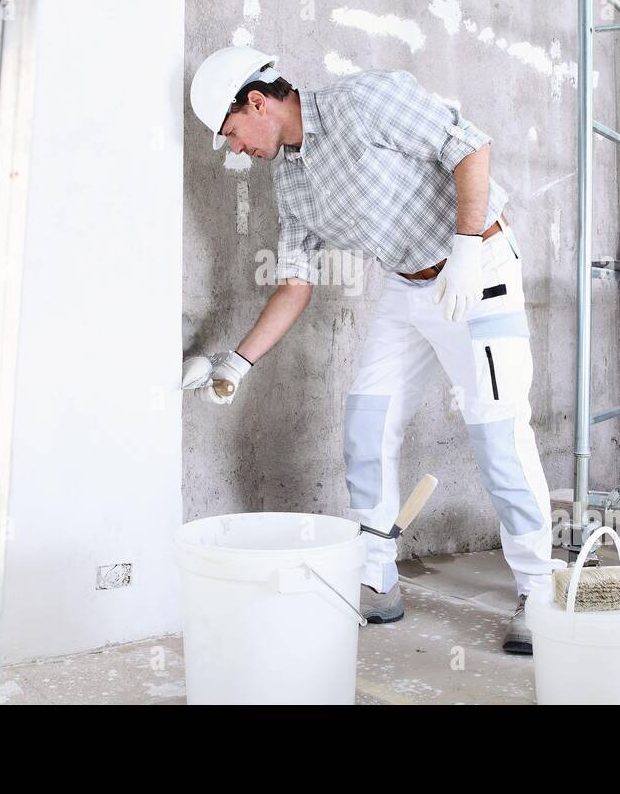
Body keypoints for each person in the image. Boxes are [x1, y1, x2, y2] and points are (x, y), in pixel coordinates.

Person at [181, 45, 564, 654]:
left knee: (498, 433)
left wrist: (465, 250)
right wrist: (238, 362)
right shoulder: (291, 178)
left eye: (231, 134)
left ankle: (540, 589)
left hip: (479, 269)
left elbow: (469, 147)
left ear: (257, 102)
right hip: (407, 286)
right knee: (367, 425)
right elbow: (296, 281)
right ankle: (376, 579)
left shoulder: (365, 101)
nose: (235, 150)